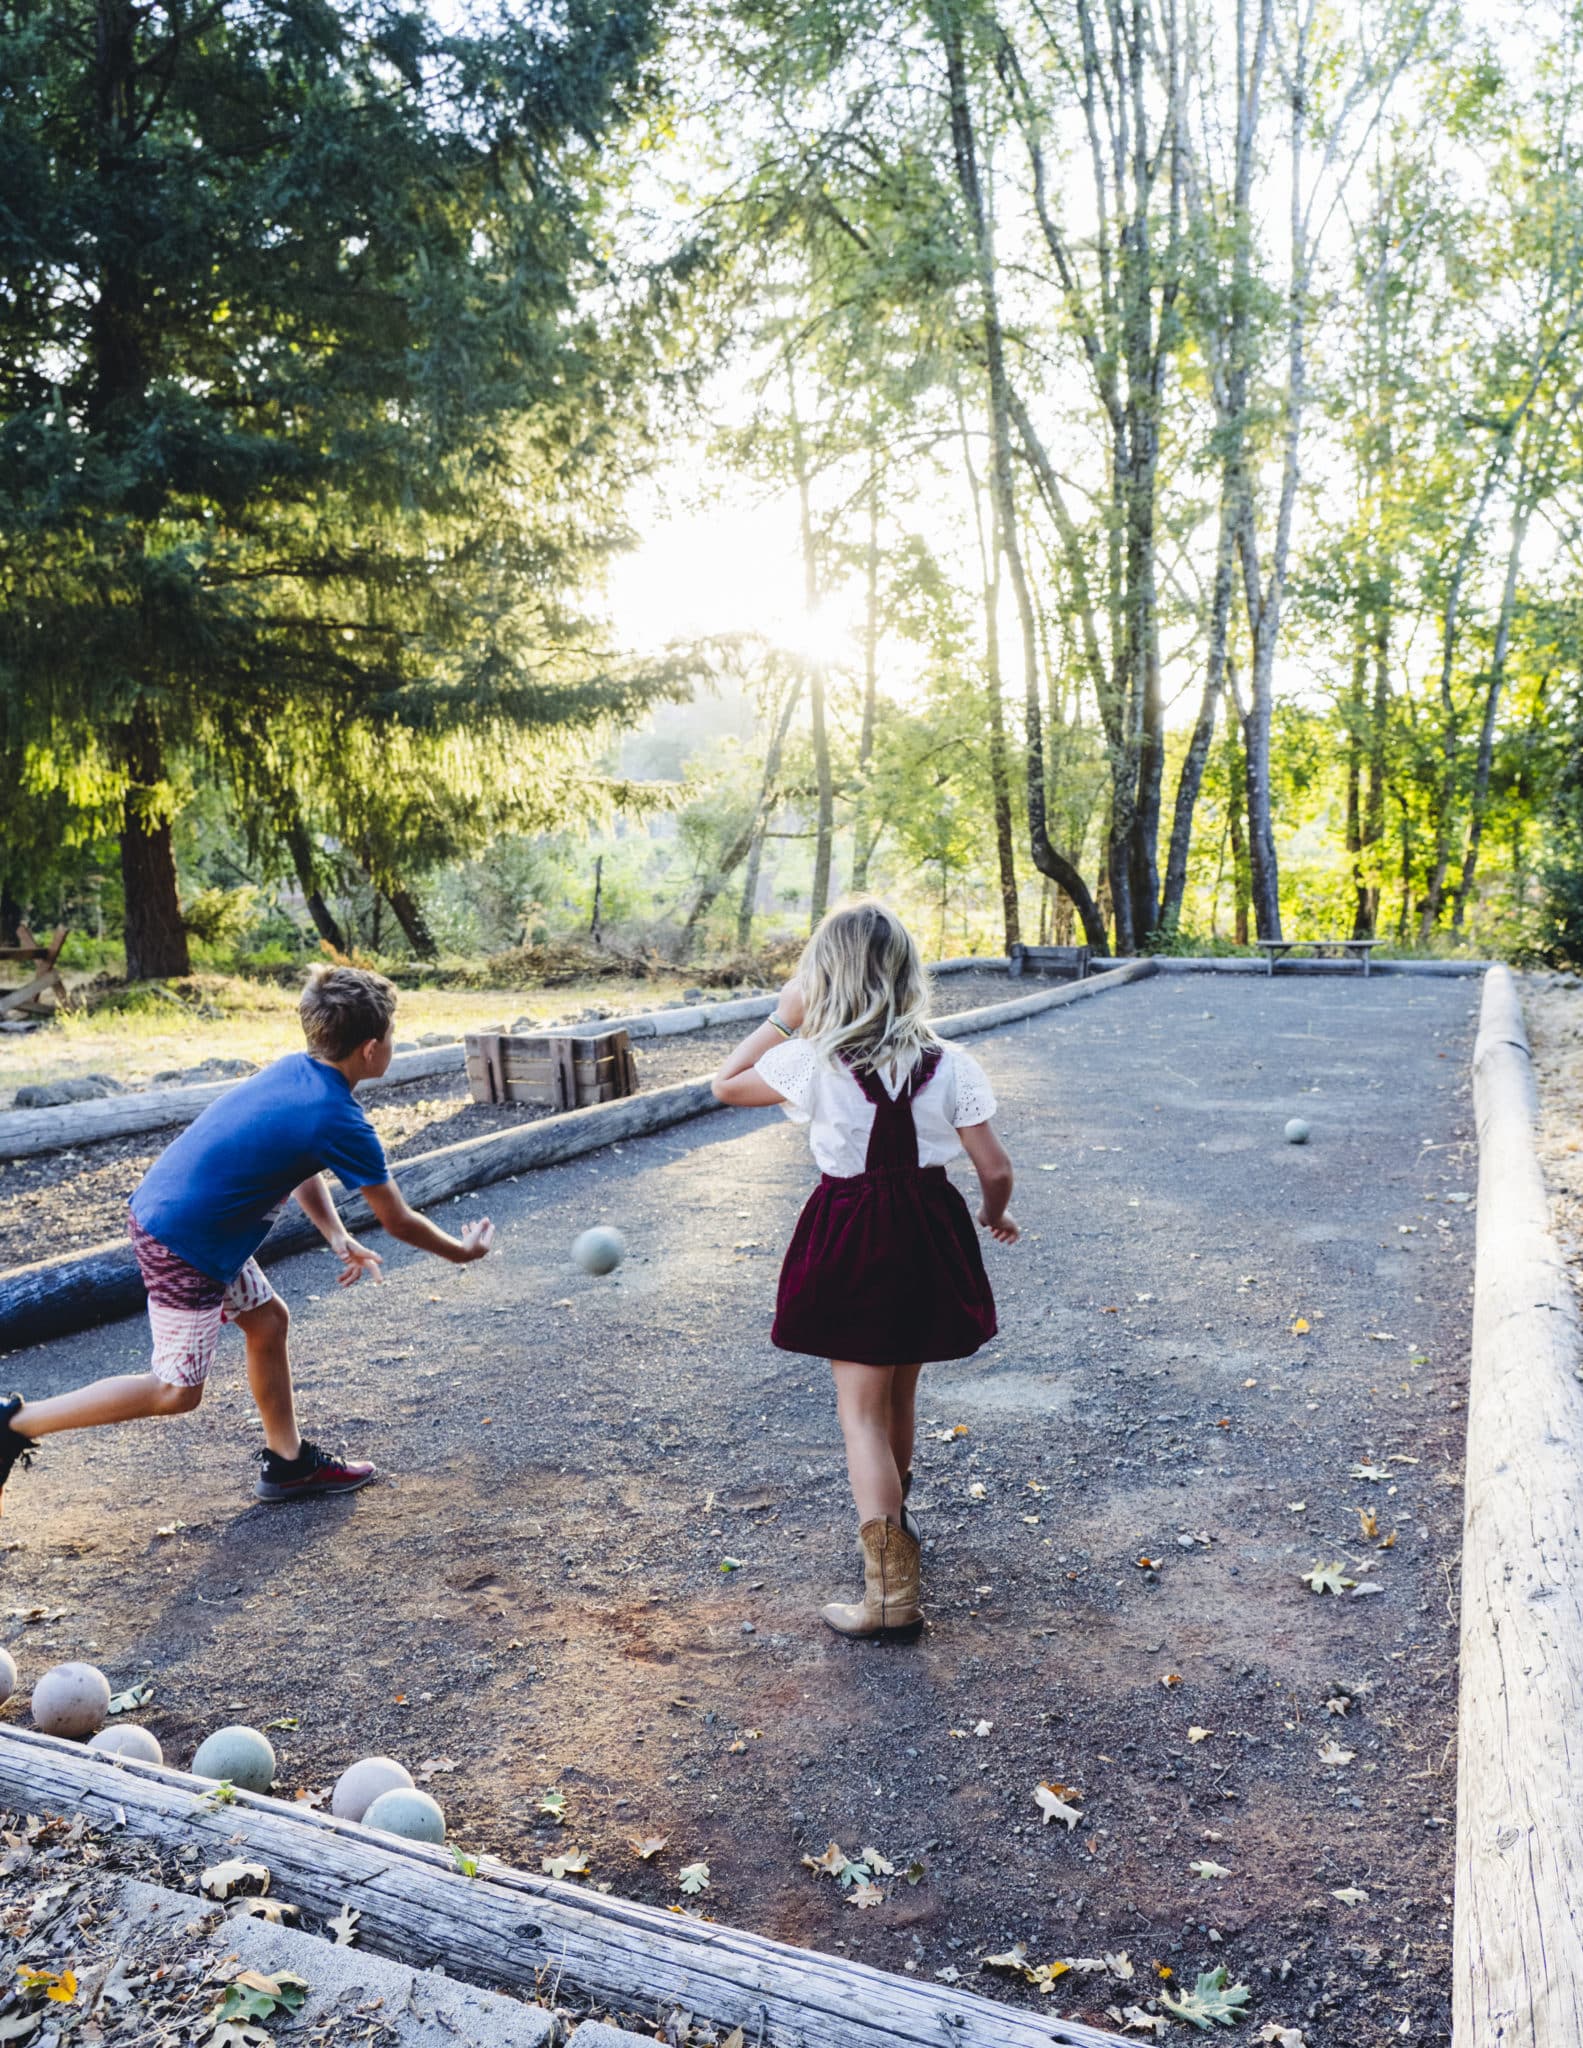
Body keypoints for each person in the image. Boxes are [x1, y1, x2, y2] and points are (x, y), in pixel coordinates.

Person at [0, 965, 494, 1511]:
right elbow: (397, 1219)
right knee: (175, 1391)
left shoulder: (297, 1073)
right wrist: (462, 1252)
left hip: (189, 1221)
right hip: (186, 1239)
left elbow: (301, 1164)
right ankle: (15, 1422)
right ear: (373, 1049)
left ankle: (288, 1465)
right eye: (393, 1036)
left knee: (267, 1320)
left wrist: (334, 1234)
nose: (393, 1045)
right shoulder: (341, 1117)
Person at [712, 899, 1016, 1641]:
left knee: (858, 1414)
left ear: (826, 979)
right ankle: (895, 1528)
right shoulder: (952, 1061)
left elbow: (725, 1082)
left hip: (852, 1233)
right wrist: (992, 1213)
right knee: (899, 1397)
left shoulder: (811, 1060)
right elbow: (995, 1167)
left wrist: (785, 1015)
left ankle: (889, 1594)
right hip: (926, 1232)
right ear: (907, 974)